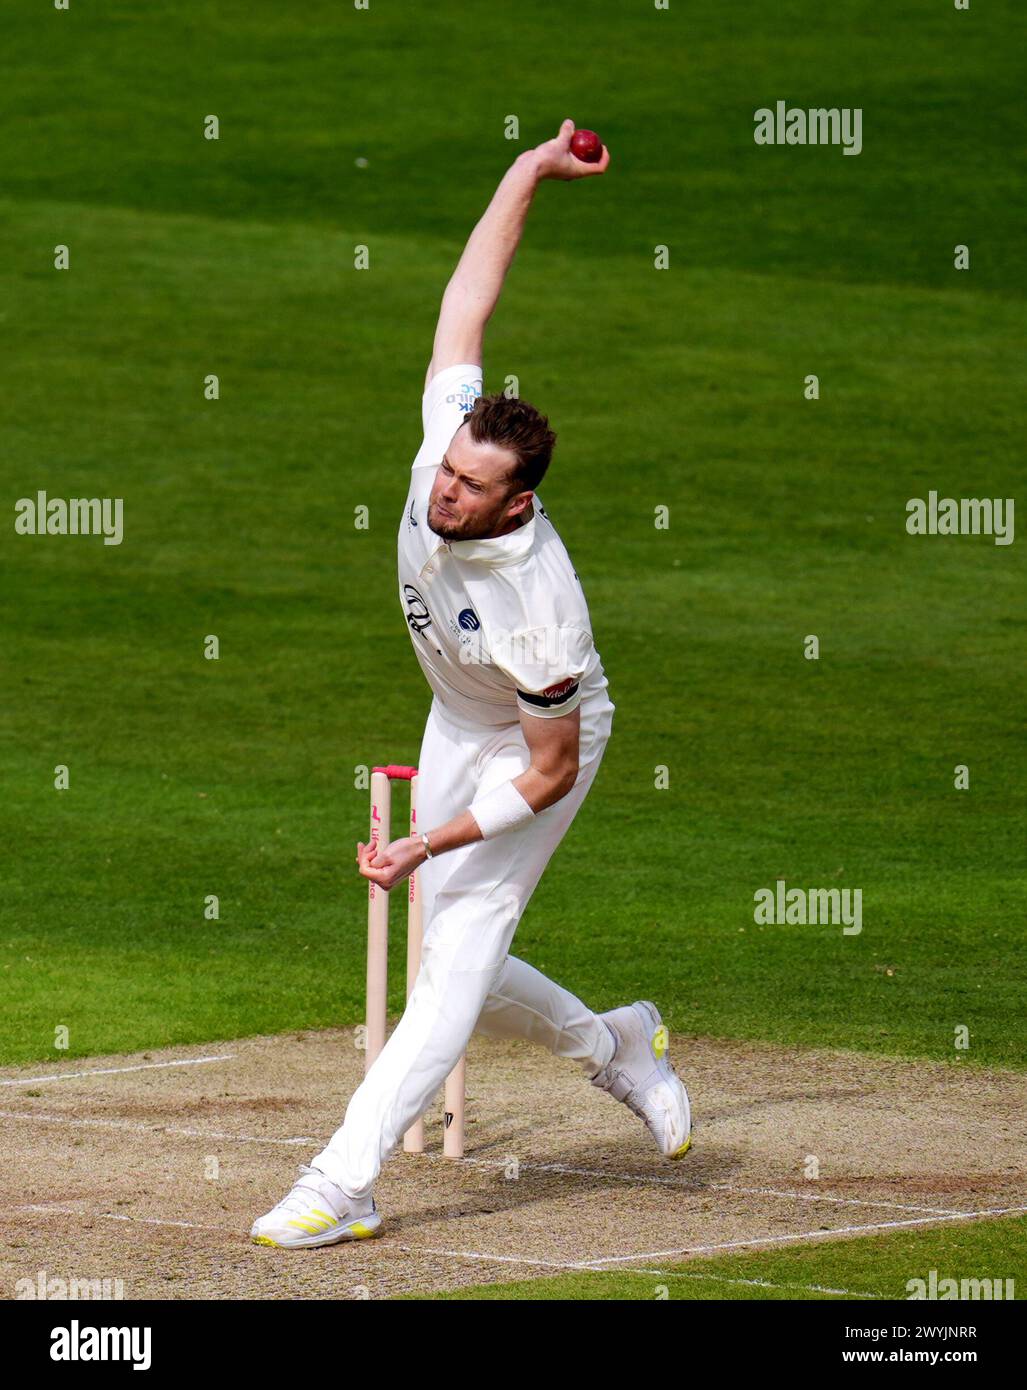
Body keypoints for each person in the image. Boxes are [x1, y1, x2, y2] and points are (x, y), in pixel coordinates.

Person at [251, 120, 691, 1249]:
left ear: (517, 503)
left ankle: (342, 1181)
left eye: (468, 489)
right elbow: (467, 299)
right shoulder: (453, 433)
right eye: (445, 473)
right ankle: (616, 1044)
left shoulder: (541, 609)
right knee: (461, 963)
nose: (442, 493)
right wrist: (527, 169)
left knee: (449, 970)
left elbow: (543, 776)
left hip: (543, 745)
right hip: (458, 714)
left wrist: (423, 843)